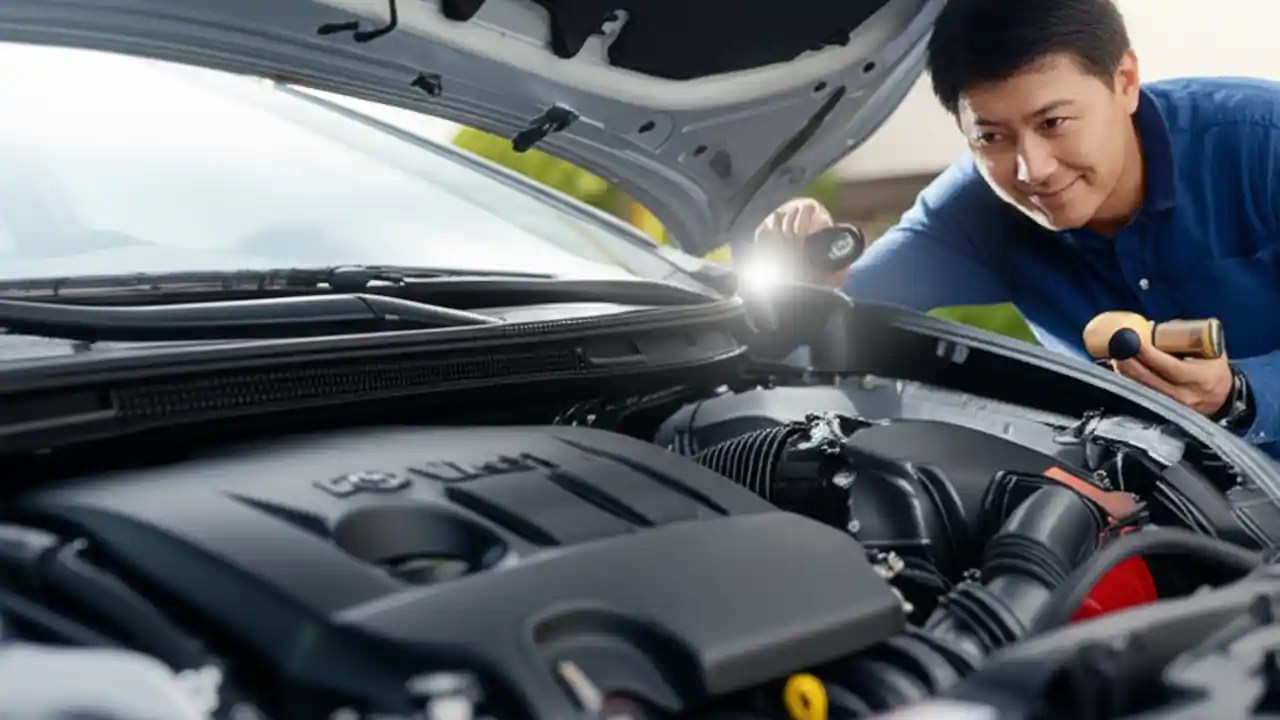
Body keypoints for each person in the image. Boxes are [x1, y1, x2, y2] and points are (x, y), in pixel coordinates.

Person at [757, 0, 1280, 459]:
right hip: (1177, 509)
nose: (1033, 170)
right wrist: (806, 281)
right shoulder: (972, 210)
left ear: (1125, 82)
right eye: (991, 136)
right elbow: (834, 309)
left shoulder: (1264, 145)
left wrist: (1239, 395)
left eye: (1053, 123)